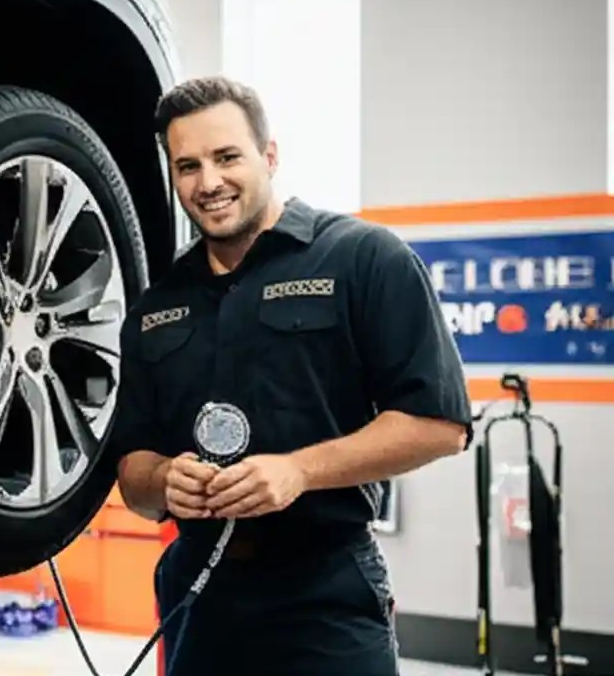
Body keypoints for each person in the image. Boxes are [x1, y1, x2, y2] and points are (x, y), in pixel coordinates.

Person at [113, 75, 473, 676]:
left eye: (227, 157)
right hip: (200, 594)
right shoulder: (156, 303)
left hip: (324, 589)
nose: (209, 183)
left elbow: (440, 424)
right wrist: (164, 479)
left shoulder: (364, 258)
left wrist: (298, 471)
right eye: (188, 165)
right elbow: (132, 471)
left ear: (269, 155)